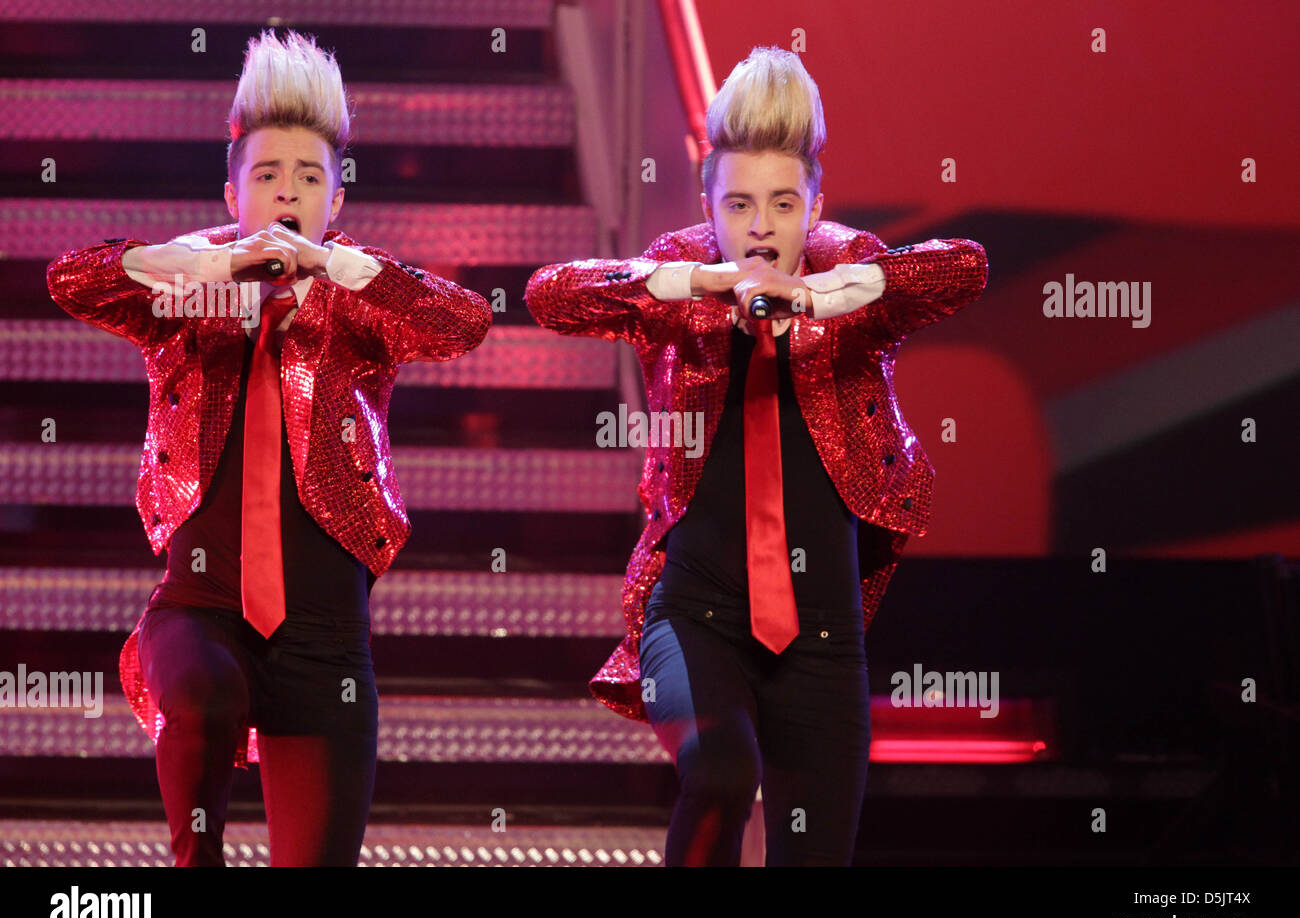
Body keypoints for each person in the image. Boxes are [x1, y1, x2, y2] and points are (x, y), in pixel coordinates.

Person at [525, 46, 987, 865]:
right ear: (709, 205)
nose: (761, 226)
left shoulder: (848, 277)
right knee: (723, 770)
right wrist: (699, 281)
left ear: (814, 206)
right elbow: (551, 294)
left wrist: (820, 291)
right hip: (693, 614)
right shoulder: (679, 276)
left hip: (823, 637)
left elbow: (964, 269)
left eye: (782, 203)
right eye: (739, 205)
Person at [46, 30, 492, 866]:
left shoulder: (359, 299)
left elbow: (465, 320)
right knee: (206, 698)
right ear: (233, 192)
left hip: (327, 636)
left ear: (335, 204)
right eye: (267, 176)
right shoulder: (186, 288)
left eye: (310, 179)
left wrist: (339, 268)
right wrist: (201, 260)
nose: (287, 196)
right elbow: (70, 278)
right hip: (202, 609)